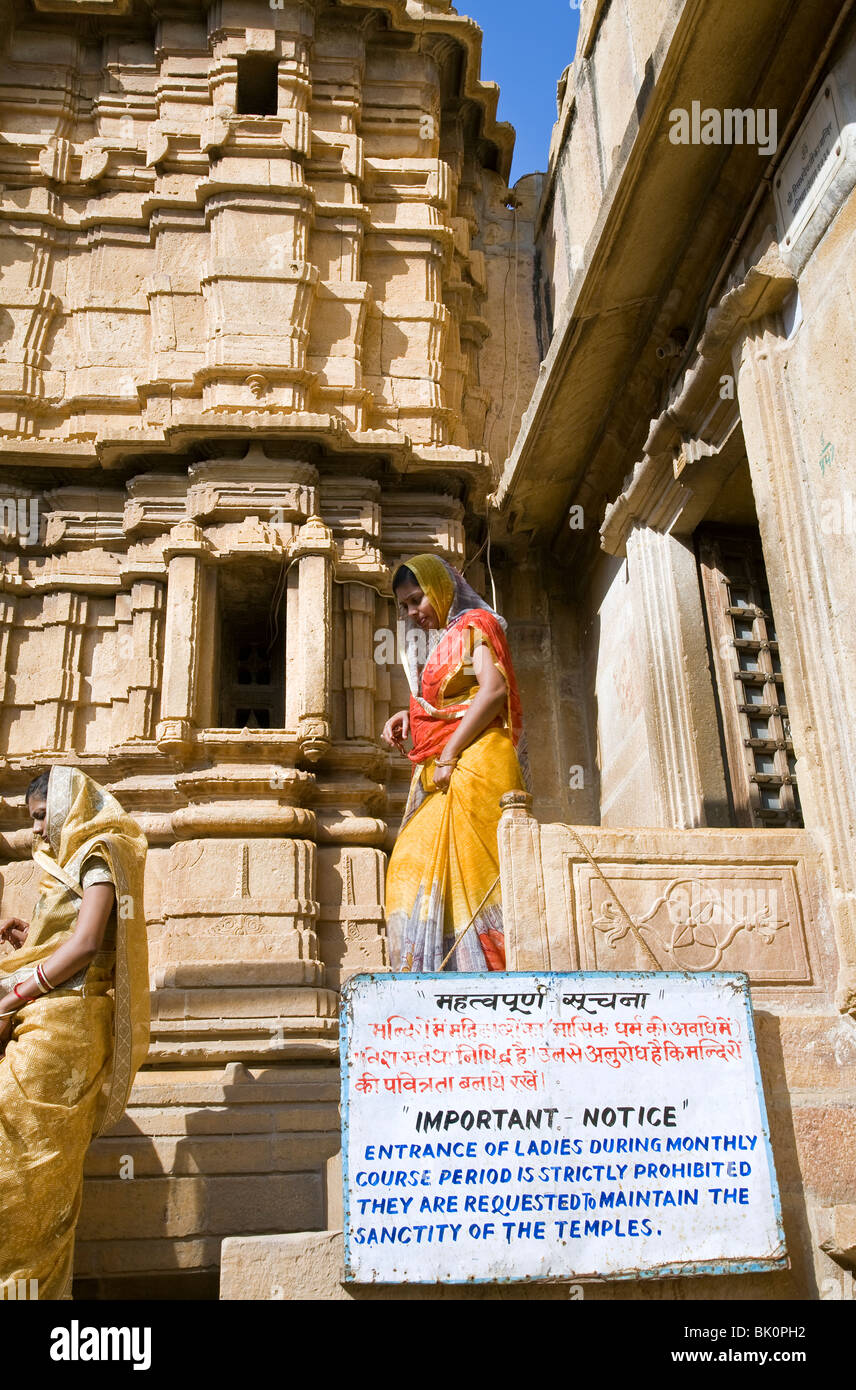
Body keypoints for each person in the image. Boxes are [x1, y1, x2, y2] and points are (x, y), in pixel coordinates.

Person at [0, 765, 149, 1299]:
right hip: (45, 1018)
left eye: (42, 816)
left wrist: (16, 992)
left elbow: (86, 944)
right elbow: (69, 941)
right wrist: (35, 947)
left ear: (68, 806)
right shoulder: (67, 860)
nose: (37, 829)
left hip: (65, 1031)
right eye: (32, 820)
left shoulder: (99, 853)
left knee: (31, 1171)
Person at [381, 553, 528, 973]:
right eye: (405, 606)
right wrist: (411, 716)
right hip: (449, 768)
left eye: (417, 600)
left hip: (476, 763)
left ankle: (493, 976)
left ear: (441, 589)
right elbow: (454, 702)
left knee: (474, 873)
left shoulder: (475, 626)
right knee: (410, 867)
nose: (412, 613)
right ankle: (436, 979)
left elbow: (492, 691)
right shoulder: (446, 639)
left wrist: (448, 753)